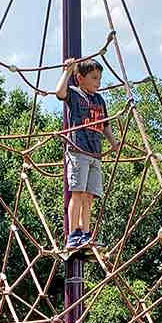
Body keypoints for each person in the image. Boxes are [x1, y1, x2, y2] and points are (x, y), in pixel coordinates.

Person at [55, 58, 120, 249]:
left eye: (99, 78)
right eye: (94, 78)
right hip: (78, 150)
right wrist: (67, 71)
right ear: (80, 78)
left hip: (95, 153)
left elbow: (105, 125)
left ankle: (85, 234)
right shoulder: (75, 94)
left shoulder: (99, 100)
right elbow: (59, 92)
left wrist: (114, 143)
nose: (98, 82)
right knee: (77, 192)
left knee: (89, 196)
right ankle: (73, 234)